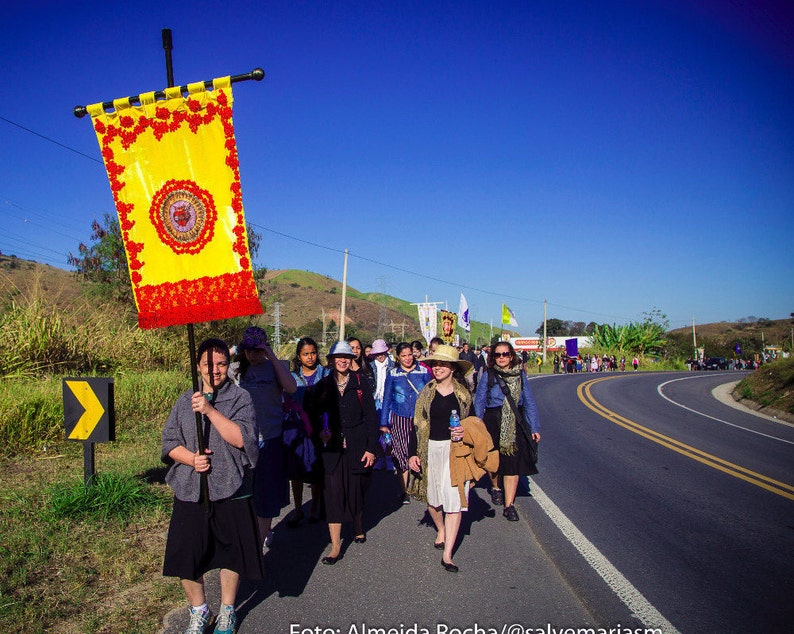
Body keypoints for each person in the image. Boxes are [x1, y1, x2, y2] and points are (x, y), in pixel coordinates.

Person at [162, 338, 263, 634]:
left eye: (220, 364)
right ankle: (198, 610)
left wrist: (209, 410)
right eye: (208, 364)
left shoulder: (240, 397)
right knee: (186, 554)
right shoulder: (184, 401)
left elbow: (242, 439)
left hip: (232, 488)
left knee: (231, 553)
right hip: (192, 489)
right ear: (198, 367)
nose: (214, 370)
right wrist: (192, 460)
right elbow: (169, 444)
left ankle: (227, 610)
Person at [407, 344, 498, 573]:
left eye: (442, 364)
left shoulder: (463, 394)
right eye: (435, 364)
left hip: (456, 452)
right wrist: (412, 454)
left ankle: (448, 554)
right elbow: (415, 425)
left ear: (452, 368)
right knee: (433, 500)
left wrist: (463, 432)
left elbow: (474, 423)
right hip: (431, 450)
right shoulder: (425, 392)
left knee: (454, 501)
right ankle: (441, 529)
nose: (437, 368)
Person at [304, 341, 379, 565]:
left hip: (357, 445)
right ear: (332, 360)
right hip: (332, 450)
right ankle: (335, 546)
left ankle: (357, 524)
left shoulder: (360, 382)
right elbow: (310, 414)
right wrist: (319, 433)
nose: (343, 360)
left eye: (347, 356)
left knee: (355, 491)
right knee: (334, 495)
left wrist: (371, 448)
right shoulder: (323, 385)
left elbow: (371, 417)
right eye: (339, 357)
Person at [238, 326, 297, 552]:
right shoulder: (236, 370)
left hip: (271, 438)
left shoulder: (277, 367)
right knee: (247, 492)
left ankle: (260, 539)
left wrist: (270, 355)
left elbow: (291, 387)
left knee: (267, 493)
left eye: (256, 350)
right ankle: (254, 533)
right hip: (244, 440)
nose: (252, 355)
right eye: (248, 351)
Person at [474, 340, 541, 522]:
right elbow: (479, 400)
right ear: (493, 357)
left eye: (505, 354)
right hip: (493, 420)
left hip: (515, 422)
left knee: (512, 464)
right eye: (498, 354)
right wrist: (478, 425)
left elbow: (529, 401)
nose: (501, 358)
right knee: (493, 462)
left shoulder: (520, 375)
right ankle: (496, 487)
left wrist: (534, 427)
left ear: (511, 356)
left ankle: (509, 505)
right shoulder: (488, 375)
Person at [379, 342, 432, 503]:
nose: (408, 358)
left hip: (420, 419)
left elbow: (430, 396)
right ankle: (404, 488)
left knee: (420, 450)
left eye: (410, 354)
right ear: (398, 357)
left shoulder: (423, 372)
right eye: (403, 356)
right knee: (400, 452)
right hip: (399, 417)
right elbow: (387, 398)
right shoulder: (393, 374)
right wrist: (383, 423)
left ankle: (420, 485)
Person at [286, 337, 329, 526]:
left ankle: (314, 507)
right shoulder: (292, 377)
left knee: (316, 470)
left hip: (319, 429)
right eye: (305, 354)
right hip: (298, 429)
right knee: (295, 472)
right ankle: (297, 509)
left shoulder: (326, 374)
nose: (310, 357)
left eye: (313, 353)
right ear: (299, 356)